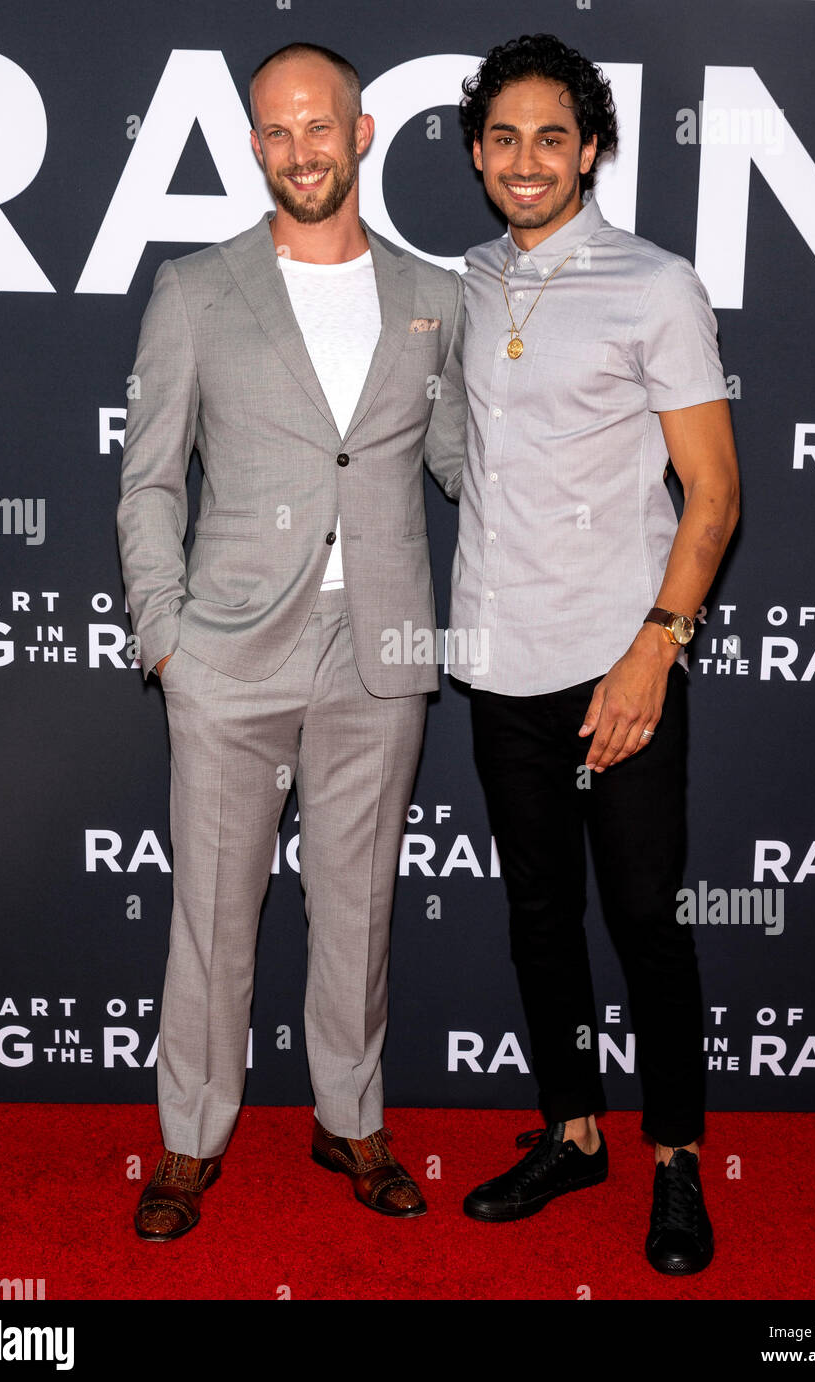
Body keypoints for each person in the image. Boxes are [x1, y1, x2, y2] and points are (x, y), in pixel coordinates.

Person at [117, 42, 466, 1240]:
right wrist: (164, 635)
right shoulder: (196, 289)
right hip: (228, 651)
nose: (301, 149)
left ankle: (350, 1118)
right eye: (277, 131)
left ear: (361, 135)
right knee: (212, 907)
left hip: (379, 649)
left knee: (359, 903)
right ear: (255, 143)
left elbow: (466, 466)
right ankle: (188, 1138)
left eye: (321, 127)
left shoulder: (438, 296)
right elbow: (149, 479)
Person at [449, 33, 740, 1274]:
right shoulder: (460, 279)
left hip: (620, 661)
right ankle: (574, 1132)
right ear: (477, 155)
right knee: (538, 913)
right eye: (504, 139)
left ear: (593, 149)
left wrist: (654, 650)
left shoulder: (655, 283)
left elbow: (714, 492)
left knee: (644, 917)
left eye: (551, 137)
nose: (527, 161)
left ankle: (677, 1161)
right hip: (499, 654)